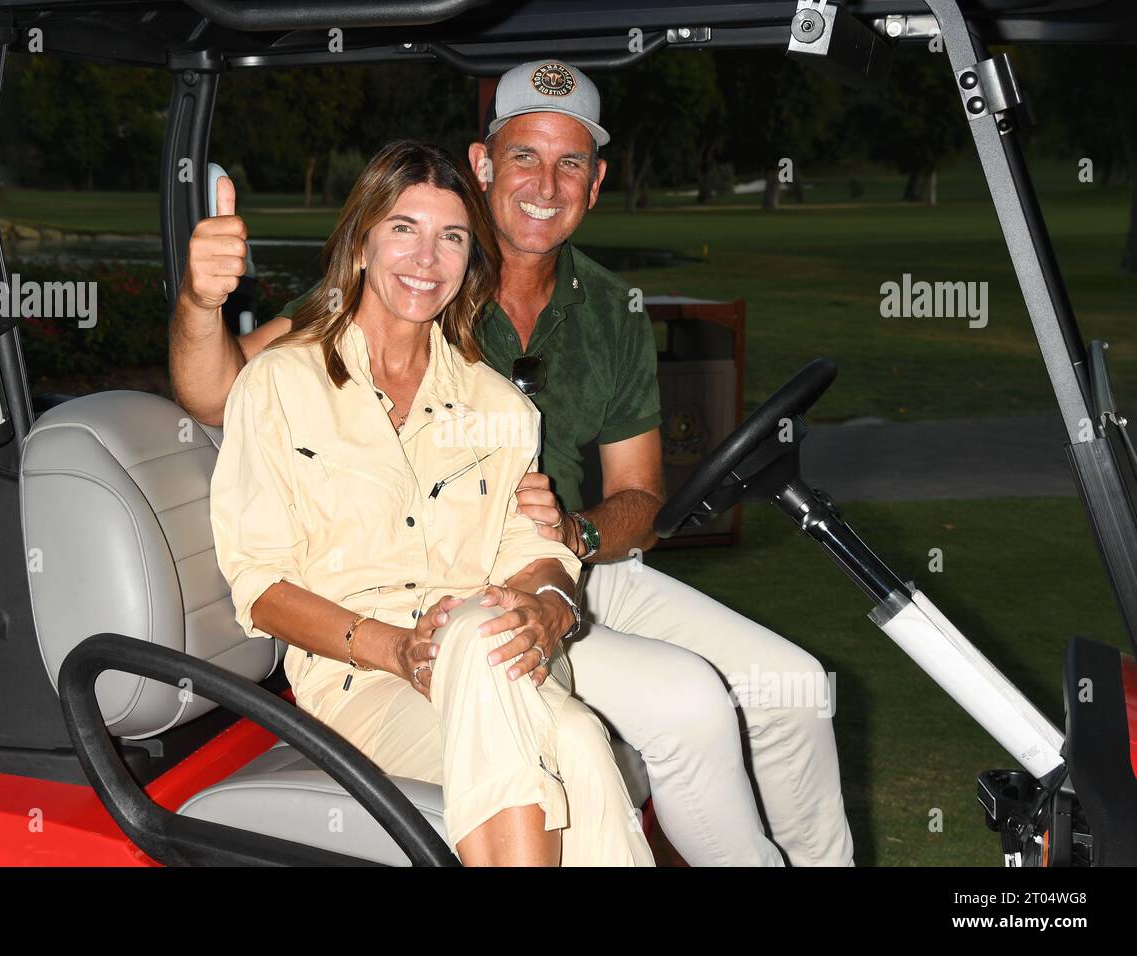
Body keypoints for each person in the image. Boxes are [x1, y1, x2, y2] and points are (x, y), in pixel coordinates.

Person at [176, 60, 854, 866]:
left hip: (560, 563)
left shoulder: (594, 321)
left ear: (596, 183)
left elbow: (639, 500)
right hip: (443, 607)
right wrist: (200, 301)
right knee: (662, 710)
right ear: (483, 165)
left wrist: (566, 554)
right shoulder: (361, 322)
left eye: (570, 162)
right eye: (523, 155)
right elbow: (221, 391)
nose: (546, 182)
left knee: (798, 688)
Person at [207, 139, 654, 866]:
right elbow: (258, 585)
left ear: (469, 262)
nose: (427, 259)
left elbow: (533, 552)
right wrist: (399, 649)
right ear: (360, 245)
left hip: (496, 664)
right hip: (361, 686)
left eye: (451, 238)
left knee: (526, 685)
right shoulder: (280, 385)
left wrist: (550, 605)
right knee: (567, 735)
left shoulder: (498, 402)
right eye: (403, 230)